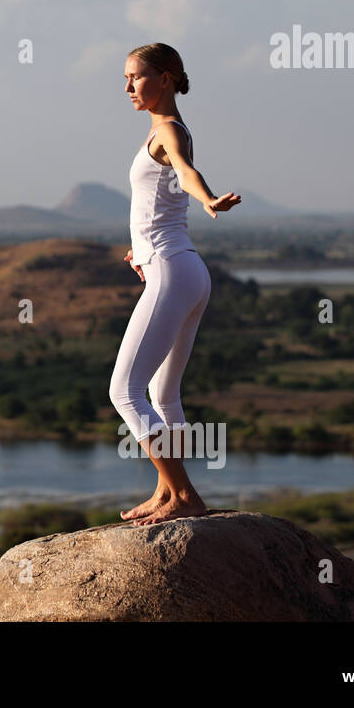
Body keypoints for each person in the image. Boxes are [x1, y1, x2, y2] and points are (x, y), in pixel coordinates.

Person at [110, 43, 241, 526]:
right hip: (181, 270)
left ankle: (183, 495)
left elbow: (186, 174)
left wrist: (206, 198)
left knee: (125, 392)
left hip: (173, 271)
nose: (127, 87)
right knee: (164, 397)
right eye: (125, 78)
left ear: (165, 78)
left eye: (136, 77)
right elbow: (158, 205)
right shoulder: (166, 128)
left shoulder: (167, 131)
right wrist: (140, 251)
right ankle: (169, 494)